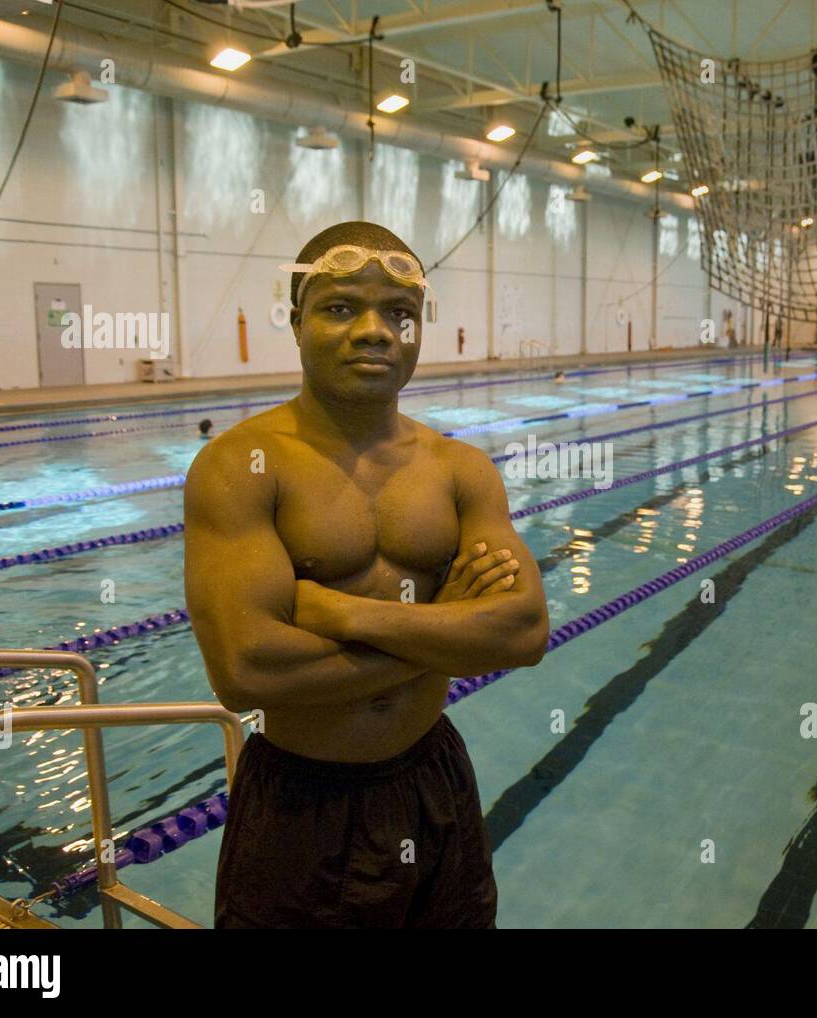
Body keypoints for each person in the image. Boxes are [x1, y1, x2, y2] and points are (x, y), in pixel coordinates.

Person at [184, 221, 549, 929]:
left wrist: (341, 613)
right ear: (295, 323)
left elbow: (525, 630)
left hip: (434, 782)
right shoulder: (240, 467)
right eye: (341, 307)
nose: (375, 331)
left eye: (400, 314)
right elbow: (247, 670)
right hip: (301, 804)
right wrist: (448, 629)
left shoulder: (459, 468)